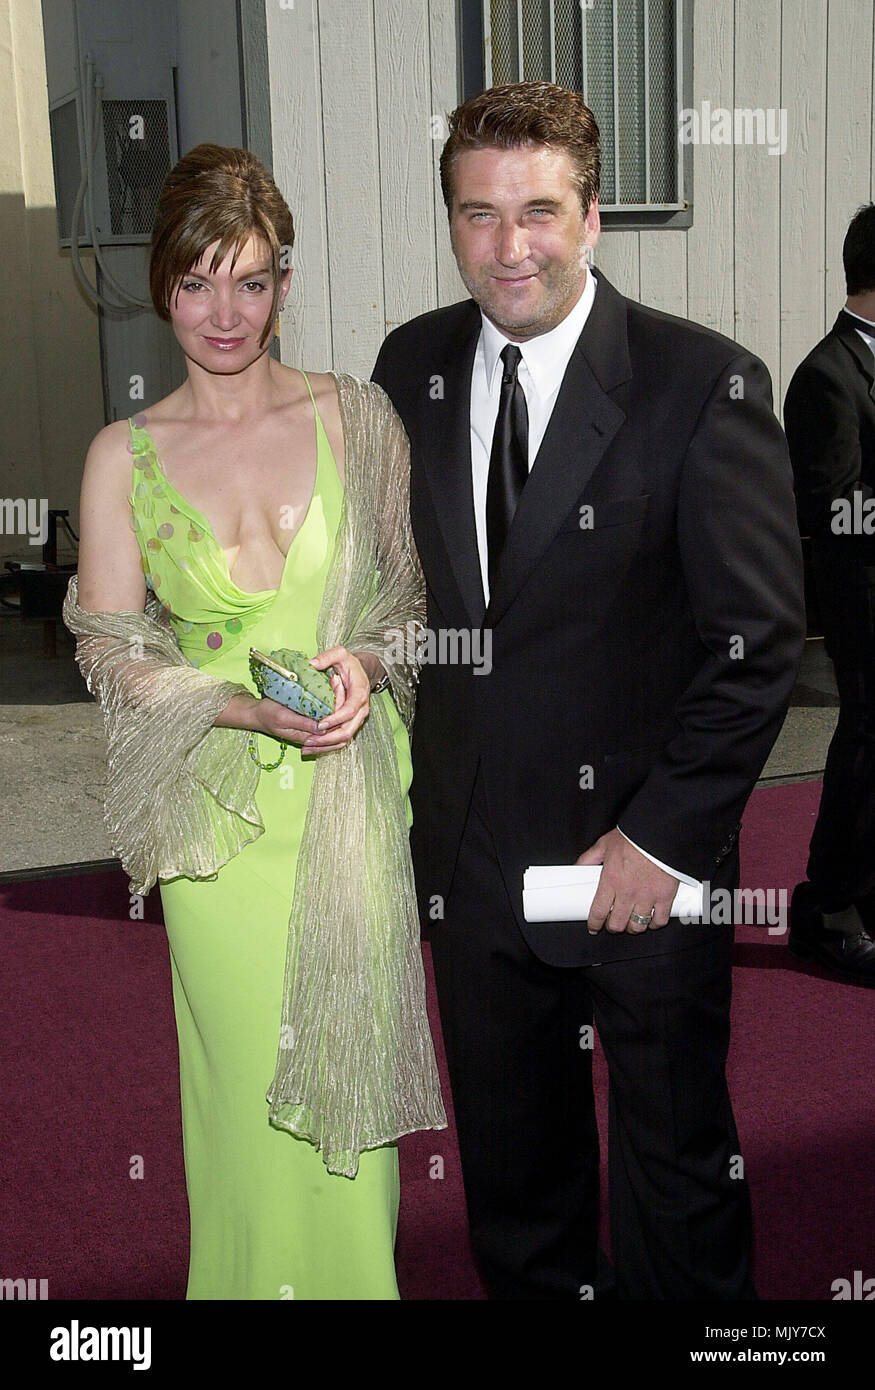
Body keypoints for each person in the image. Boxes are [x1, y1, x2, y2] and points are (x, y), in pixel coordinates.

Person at [372, 82, 806, 1299]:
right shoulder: (410, 368)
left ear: (592, 214)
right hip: (474, 859)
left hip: (640, 864)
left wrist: (662, 842)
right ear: (449, 220)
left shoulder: (698, 383)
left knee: (672, 1176)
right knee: (515, 1183)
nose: (510, 247)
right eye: (478, 214)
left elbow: (756, 640)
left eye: (538, 211)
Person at [63, 143, 445, 1301]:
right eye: (195, 282)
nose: (223, 313)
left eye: (250, 280)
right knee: (243, 1109)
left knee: (345, 1111)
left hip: (347, 811)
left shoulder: (360, 416)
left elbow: (409, 606)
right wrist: (237, 706)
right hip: (220, 836)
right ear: (159, 285)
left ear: (285, 281)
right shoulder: (123, 456)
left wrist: (366, 663)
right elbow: (111, 650)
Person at [784, 203, 875, 986]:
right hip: (864, 601)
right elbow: (830, 507)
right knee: (865, 748)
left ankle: (862, 896)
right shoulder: (825, 375)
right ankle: (825, 909)